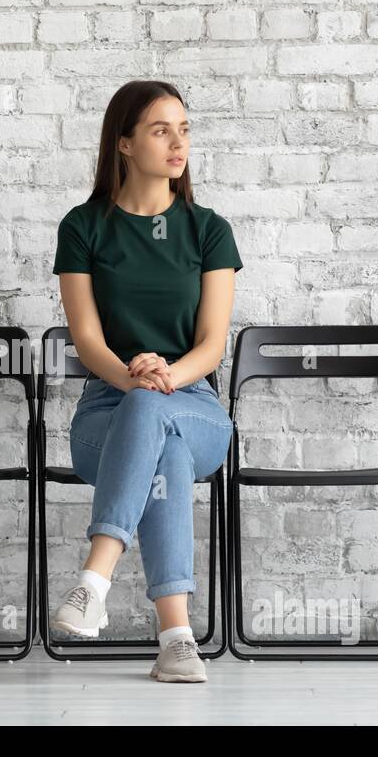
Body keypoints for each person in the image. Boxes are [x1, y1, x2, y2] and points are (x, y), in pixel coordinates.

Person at [50, 80, 244, 683]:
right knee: (162, 449)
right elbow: (86, 342)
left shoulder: (208, 229)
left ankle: (95, 577)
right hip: (105, 414)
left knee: (157, 415)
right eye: (161, 130)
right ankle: (177, 639)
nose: (178, 142)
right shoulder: (83, 226)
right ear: (125, 144)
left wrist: (162, 376)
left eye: (184, 129)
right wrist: (133, 377)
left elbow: (212, 344)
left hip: (196, 404)